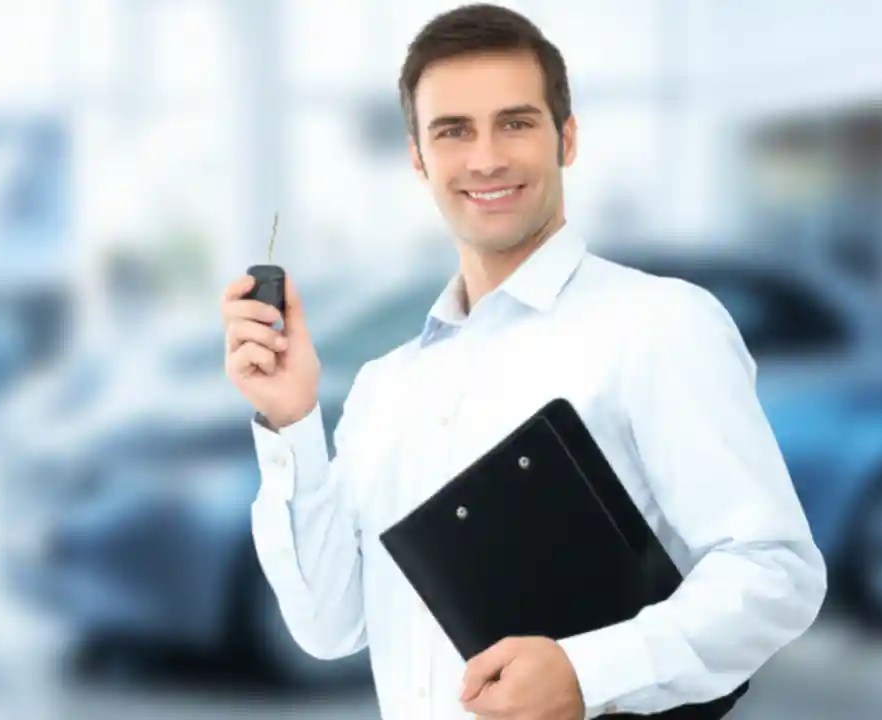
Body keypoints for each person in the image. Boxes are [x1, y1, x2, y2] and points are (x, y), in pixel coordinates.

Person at [220, 4, 826, 718]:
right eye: (453, 131)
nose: (486, 159)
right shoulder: (387, 388)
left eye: (515, 123)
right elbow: (328, 627)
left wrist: (585, 672)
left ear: (566, 138)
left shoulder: (660, 325)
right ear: (418, 158)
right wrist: (291, 422)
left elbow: (776, 573)